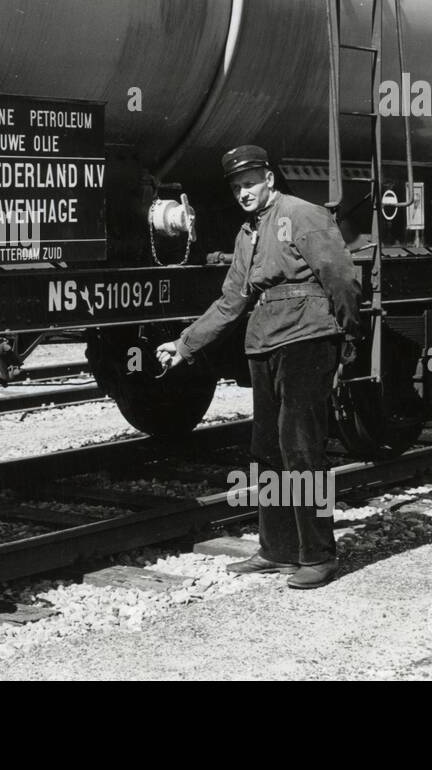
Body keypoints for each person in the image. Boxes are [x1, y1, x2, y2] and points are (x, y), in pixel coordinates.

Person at [156, 145, 360, 589]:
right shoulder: (247, 233)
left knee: (302, 448)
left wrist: (346, 335)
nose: (243, 192)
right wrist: (184, 345)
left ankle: (319, 555)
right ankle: (279, 549)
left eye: (249, 183)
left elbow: (341, 276)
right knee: (266, 450)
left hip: (307, 338)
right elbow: (231, 301)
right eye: (236, 187)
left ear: (268, 178)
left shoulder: (303, 214)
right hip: (265, 342)